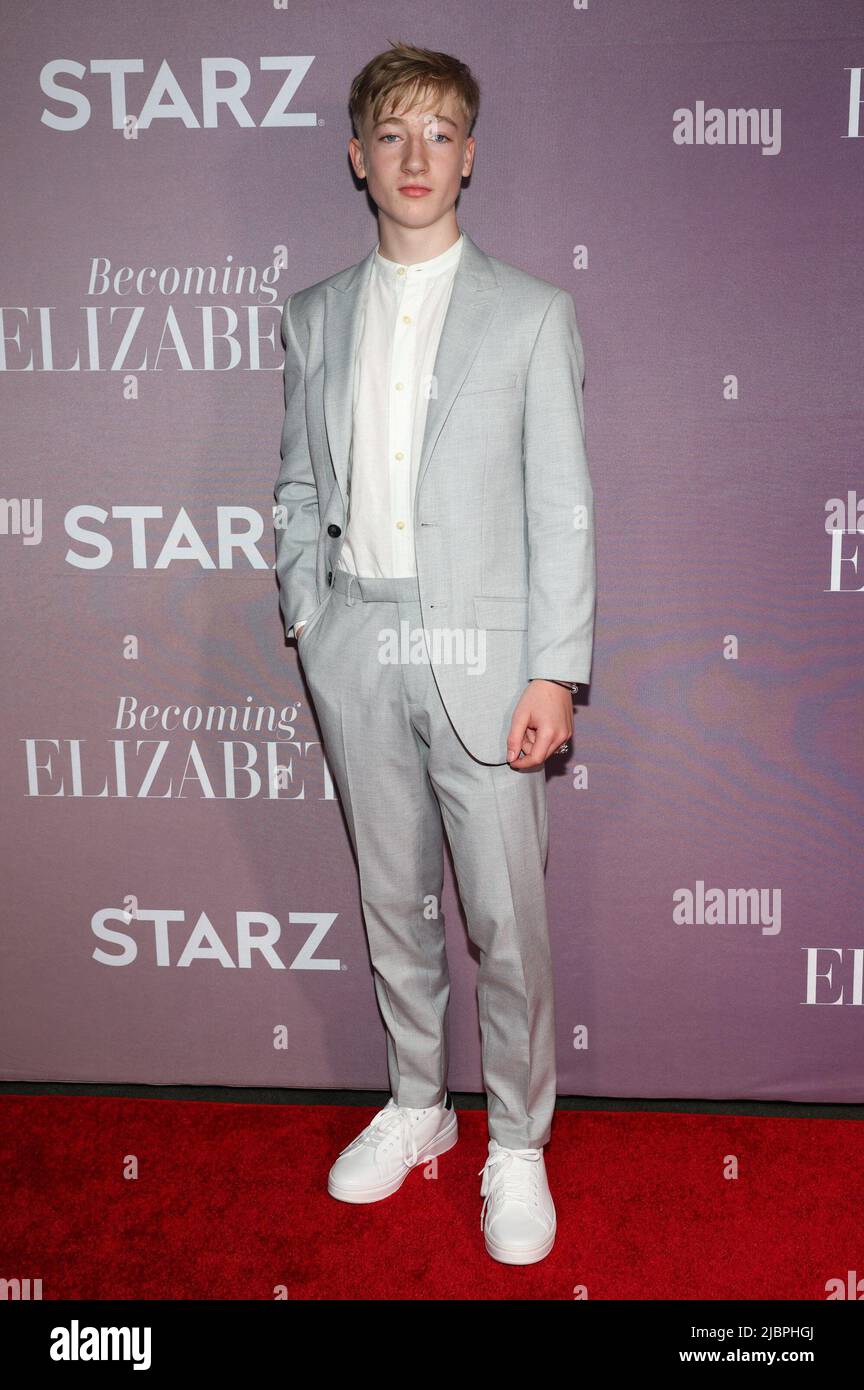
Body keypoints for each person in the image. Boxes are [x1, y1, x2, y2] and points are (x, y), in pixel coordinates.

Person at [273, 40, 596, 1265]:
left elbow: (565, 503)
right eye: (392, 135)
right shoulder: (312, 317)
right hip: (357, 638)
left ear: (470, 153)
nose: (416, 157)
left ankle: (517, 1141)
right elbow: (299, 487)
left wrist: (555, 670)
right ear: (358, 157)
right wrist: (313, 617)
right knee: (392, 899)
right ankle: (420, 1110)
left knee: (506, 919)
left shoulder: (532, 315)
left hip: (490, 658)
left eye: (441, 133)